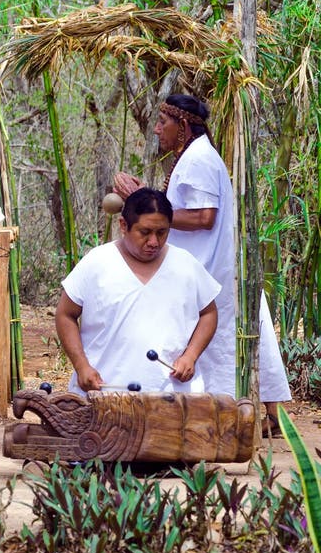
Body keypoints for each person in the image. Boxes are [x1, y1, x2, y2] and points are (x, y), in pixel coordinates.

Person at [114, 94, 291, 433]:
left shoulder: (198, 160)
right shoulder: (193, 157)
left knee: (219, 337)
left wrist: (146, 205)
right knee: (243, 333)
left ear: (182, 126)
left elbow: (204, 216)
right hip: (211, 266)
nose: (156, 130)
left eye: (163, 122)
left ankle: (241, 416)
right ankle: (269, 416)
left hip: (209, 269)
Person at [55, 188, 220, 395]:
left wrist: (191, 356)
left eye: (162, 233)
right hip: (104, 394)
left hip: (174, 397)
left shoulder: (186, 265)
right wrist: (81, 366)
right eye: (145, 232)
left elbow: (209, 313)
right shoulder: (96, 263)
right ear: (124, 225)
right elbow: (65, 314)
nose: (154, 242)